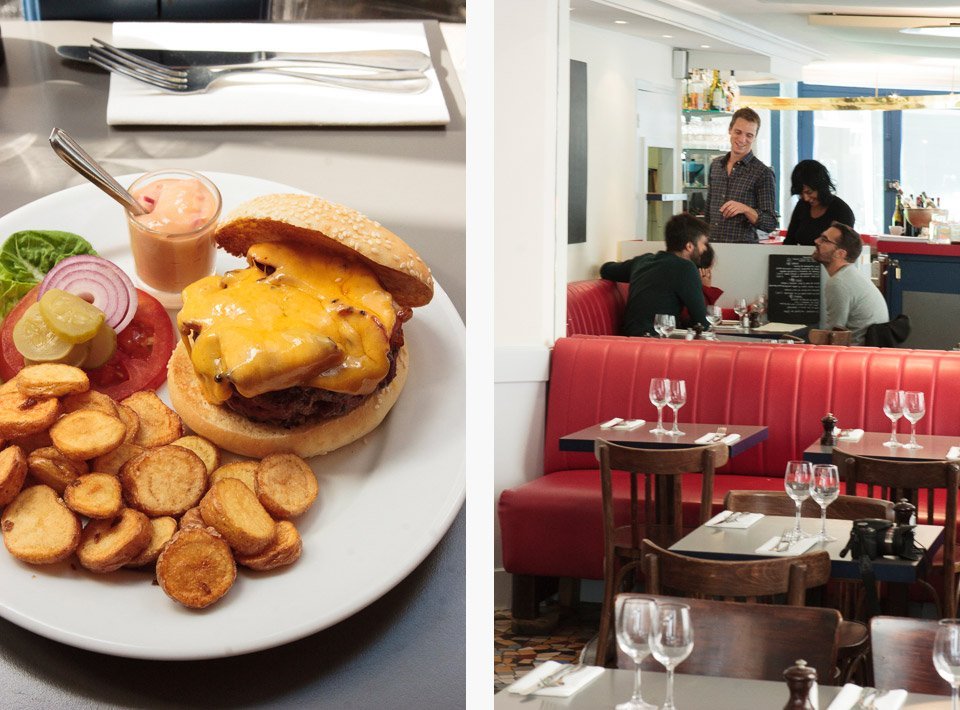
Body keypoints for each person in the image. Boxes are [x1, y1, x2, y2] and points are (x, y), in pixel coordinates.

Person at [600, 212, 710, 337]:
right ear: (689, 246)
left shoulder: (643, 261)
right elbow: (701, 323)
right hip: (656, 344)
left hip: (629, 340)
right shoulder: (686, 268)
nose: (705, 249)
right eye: (703, 244)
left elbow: (605, 269)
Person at [705, 107, 778, 244]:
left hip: (743, 252)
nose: (742, 139)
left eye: (749, 135)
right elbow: (708, 214)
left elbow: (770, 223)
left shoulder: (763, 173)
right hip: (712, 248)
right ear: (730, 130)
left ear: (755, 137)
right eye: (738, 132)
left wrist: (745, 209)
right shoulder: (716, 165)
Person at [812, 221, 889, 345]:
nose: (816, 241)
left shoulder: (838, 282)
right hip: (866, 351)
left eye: (824, 240)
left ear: (840, 253)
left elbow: (833, 335)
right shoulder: (850, 275)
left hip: (854, 355)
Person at [784, 160, 855, 246]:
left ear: (821, 187)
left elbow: (844, 249)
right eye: (801, 194)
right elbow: (789, 242)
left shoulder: (842, 211)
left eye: (809, 192)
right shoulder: (802, 205)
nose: (805, 198)